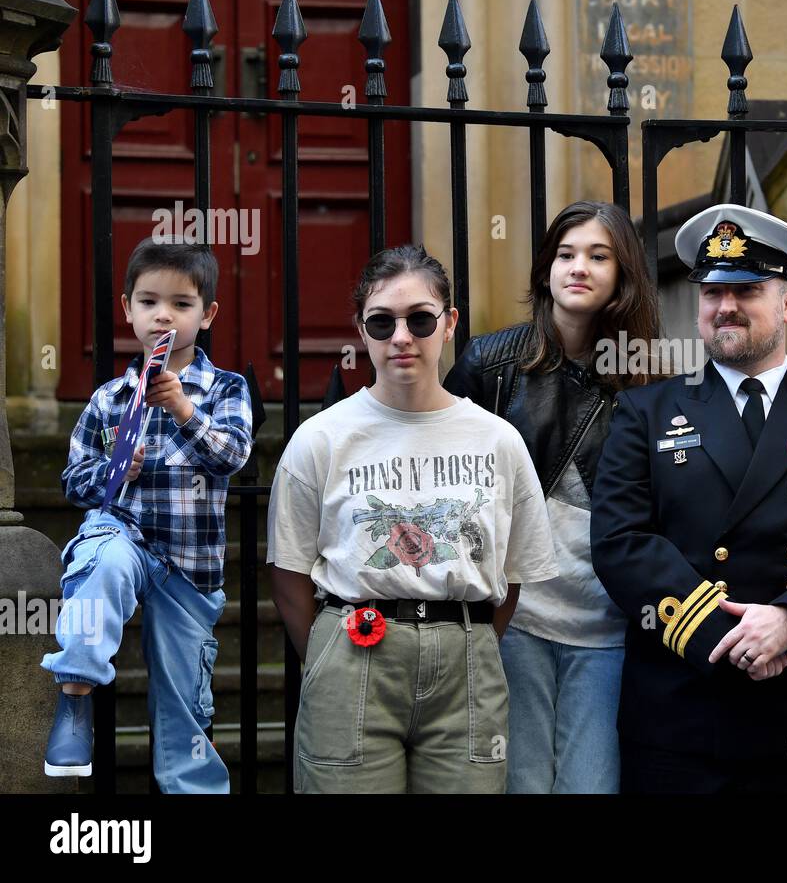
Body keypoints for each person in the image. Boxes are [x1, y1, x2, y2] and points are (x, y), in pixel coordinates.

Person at [590, 204, 787, 793]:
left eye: (747, 289)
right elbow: (620, 545)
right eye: (712, 292)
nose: (724, 306)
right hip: (685, 716)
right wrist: (727, 637)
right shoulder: (646, 414)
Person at [267, 245, 557, 793]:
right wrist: (331, 655)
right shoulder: (321, 438)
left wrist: (468, 641)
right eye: (382, 322)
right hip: (353, 648)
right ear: (362, 331)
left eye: (420, 319)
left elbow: (512, 575)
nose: (401, 337)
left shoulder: (499, 441)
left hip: (467, 661)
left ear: (449, 324)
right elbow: (288, 570)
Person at [444, 201, 660, 793]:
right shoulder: (492, 362)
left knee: (591, 783)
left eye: (598, 256)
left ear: (624, 273)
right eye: (565, 255)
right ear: (545, 269)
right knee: (522, 782)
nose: (578, 268)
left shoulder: (651, 376)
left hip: (608, 621)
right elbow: (446, 472)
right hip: (517, 618)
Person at [43, 237, 253, 792]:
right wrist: (116, 469)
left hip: (190, 564)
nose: (164, 314)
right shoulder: (109, 398)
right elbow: (74, 483)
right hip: (125, 534)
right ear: (127, 309)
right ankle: (75, 697)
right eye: (149, 301)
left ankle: (192, 786)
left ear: (206, 315)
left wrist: (183, 408)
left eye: (182, 304)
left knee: (184, 702)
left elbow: (232, 455)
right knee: (103, 563)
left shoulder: (226, 389)